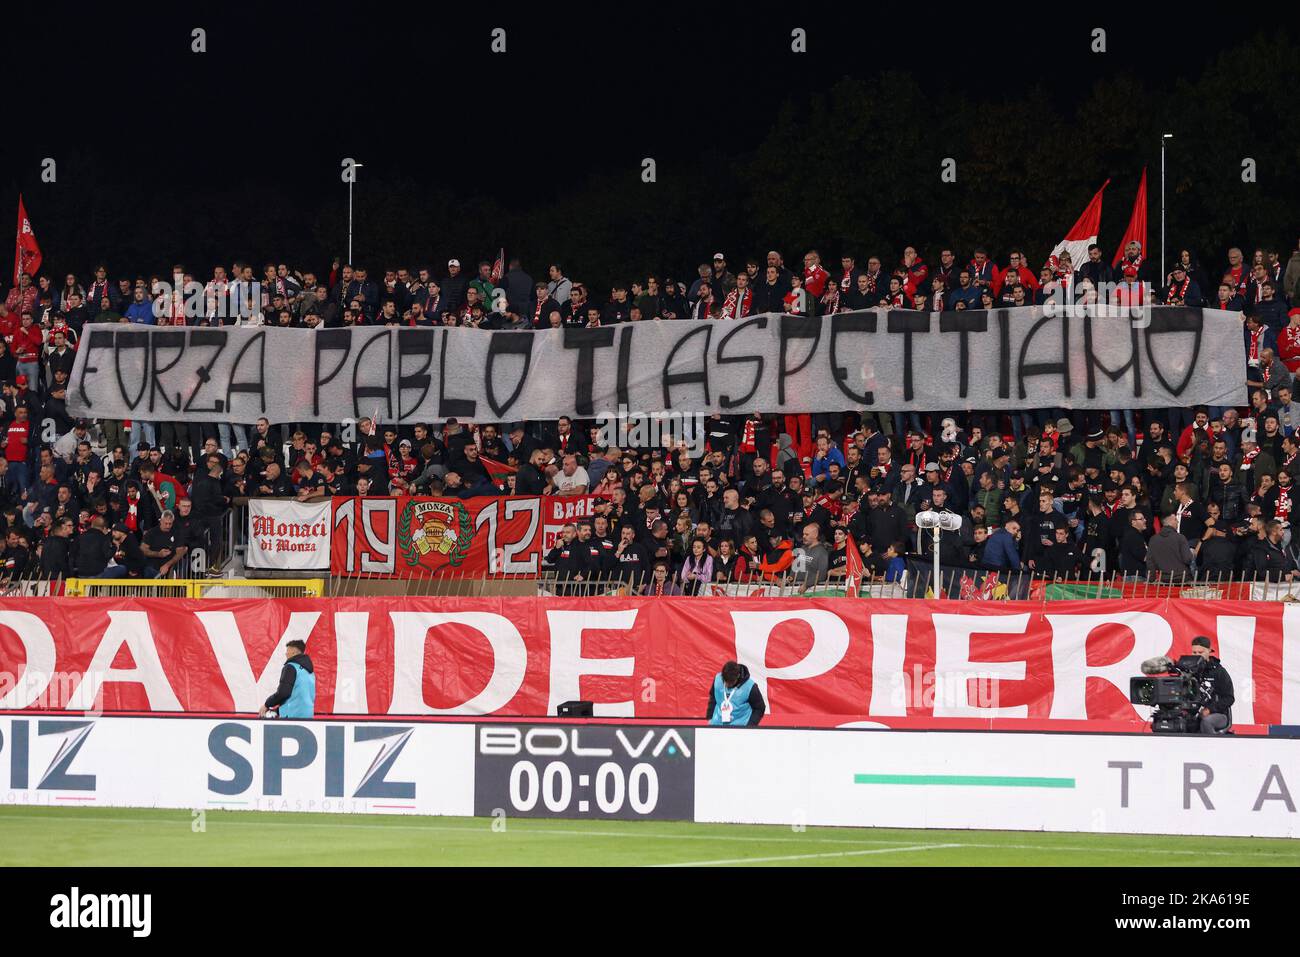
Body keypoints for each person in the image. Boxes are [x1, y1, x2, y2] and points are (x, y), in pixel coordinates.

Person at [259, 639, 316, 719]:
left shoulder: (290, 667)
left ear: (293, 652)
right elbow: (299, 697)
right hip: (308, 716)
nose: (286, 653)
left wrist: (267, 704)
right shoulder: (310, 672)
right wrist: (278, 710)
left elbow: (283, 693)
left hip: (292, 717)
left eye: (288, 651)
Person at [1189, 636, 1233, 735]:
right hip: (1193, 713)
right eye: (1194, 652)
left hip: (1218, 714)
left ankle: (1213, 748)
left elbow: (1229, 698)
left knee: (1206, 721)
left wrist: (1210, 709)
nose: (1197, 655)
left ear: (1209, 651)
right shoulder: (1189, 671)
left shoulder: (1219, 671)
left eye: (1200, 652)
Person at [705, 660, 765, 727]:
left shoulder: (750, 686)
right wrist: (710, 717)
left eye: (731, 682)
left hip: (740, 728)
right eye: (726, 681)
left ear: (738, 676)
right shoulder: (718, 679)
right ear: (722, 675)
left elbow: (759, 708)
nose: (728, 685)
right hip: (717, 724)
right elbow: (713, 697)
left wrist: (750, 726)